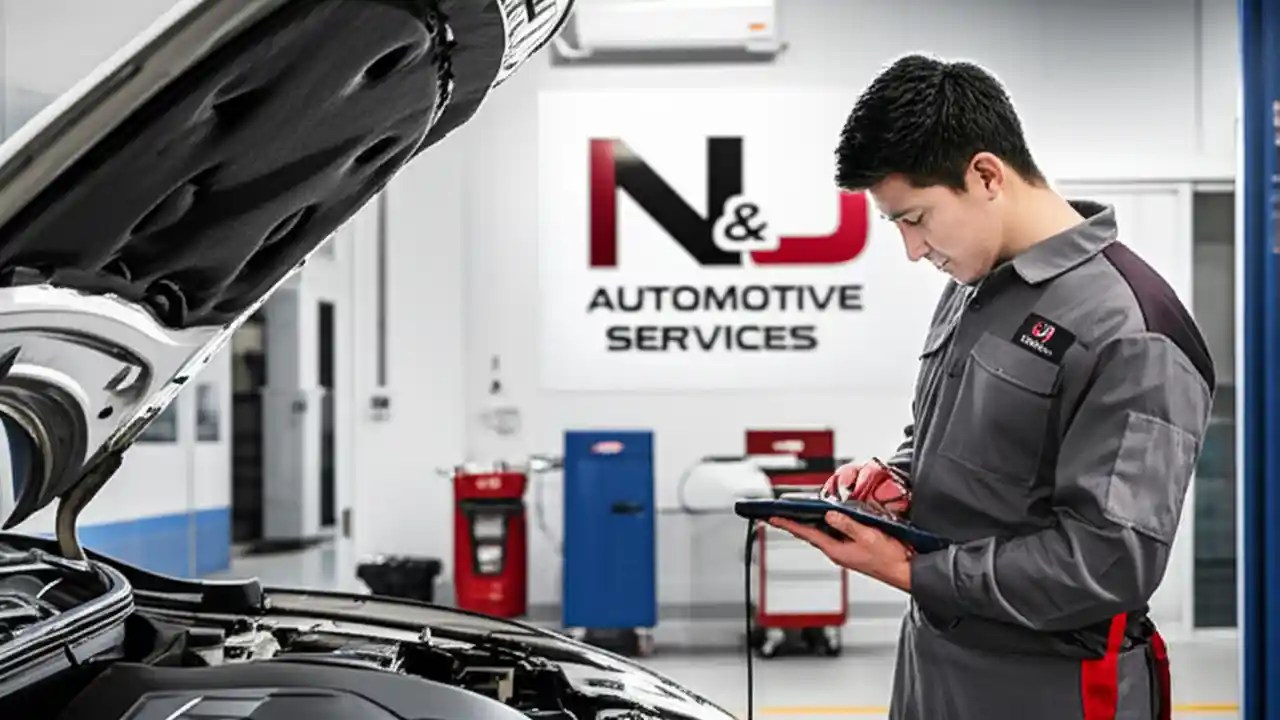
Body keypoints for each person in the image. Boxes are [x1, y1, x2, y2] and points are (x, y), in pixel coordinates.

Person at [766, 53, 1214, 720]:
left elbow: (1107, 563)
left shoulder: (1131, 329)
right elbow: (953, 437)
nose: (912, 249)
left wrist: (907, 571)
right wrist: (898, 480)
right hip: (933, 663)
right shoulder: (970, 288)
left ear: (985, 175)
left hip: (1052, 686)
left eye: (916, 218)